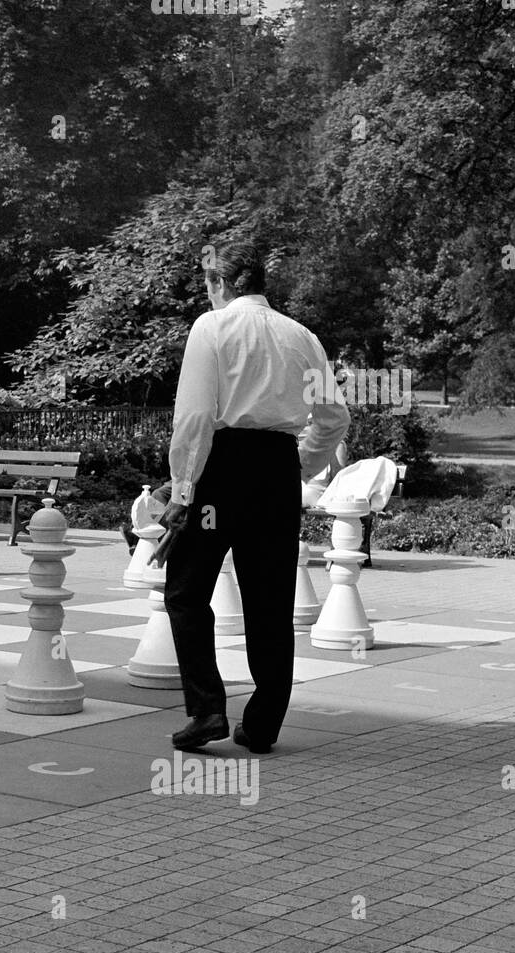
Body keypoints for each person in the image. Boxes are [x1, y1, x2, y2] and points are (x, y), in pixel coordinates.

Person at [155, 241, 350, 754]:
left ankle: (207, 709)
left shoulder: (211, 327)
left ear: (221, 283)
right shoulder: (301, 336)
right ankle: (262, 725)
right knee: (270, 602)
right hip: (277, 472)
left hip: (221, 470)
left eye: (207, 282)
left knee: (186, 593)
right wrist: (298, 465)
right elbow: (334, 418)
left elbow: (195, 418)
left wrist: (182, 490)